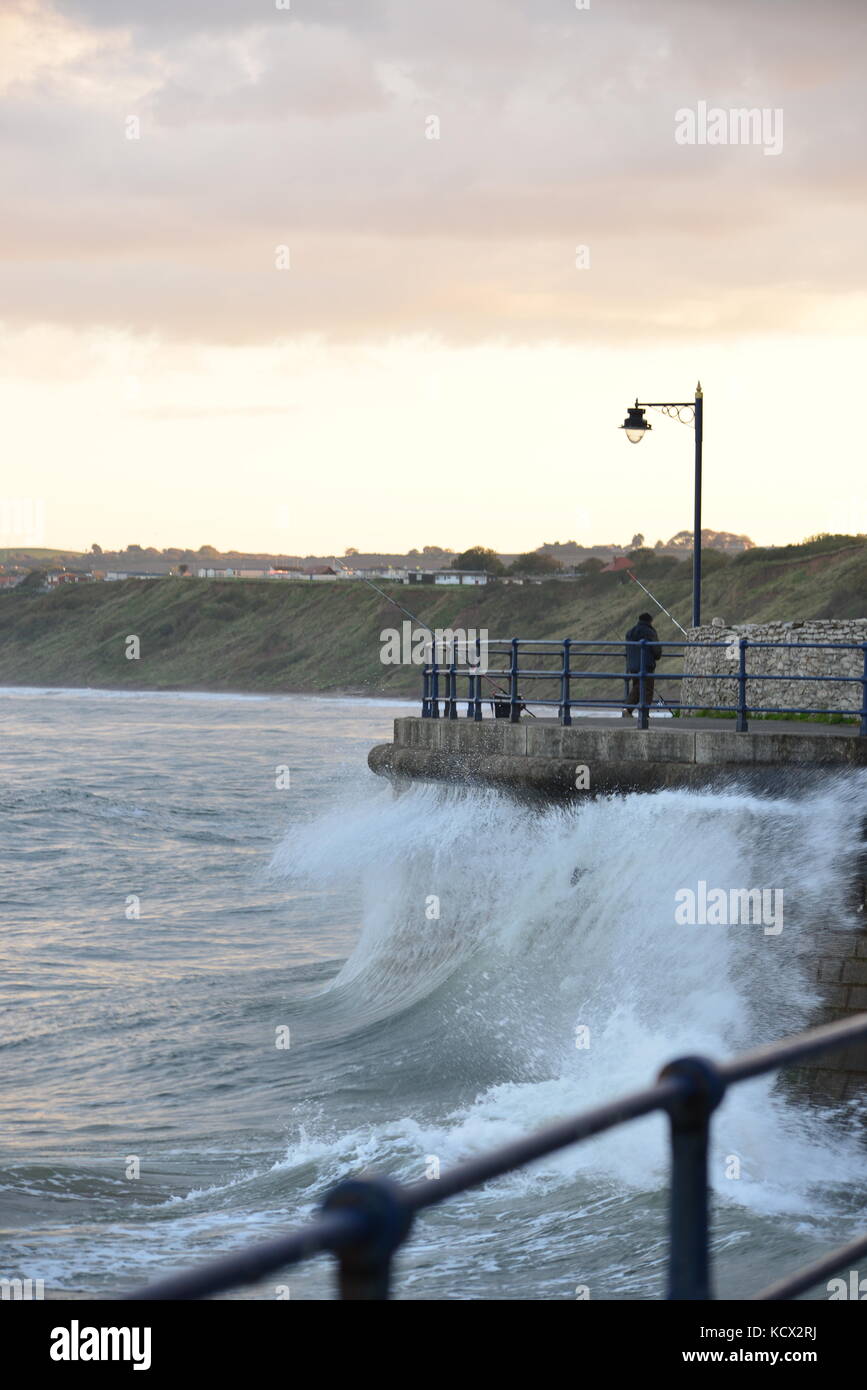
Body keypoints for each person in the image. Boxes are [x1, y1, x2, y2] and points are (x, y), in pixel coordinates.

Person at [623, 612, 662, 716]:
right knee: (647, 690)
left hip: (632, 665)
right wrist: (657, 656)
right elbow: (657, 650)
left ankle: (628, 710)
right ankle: (642, 713)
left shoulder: (630, 632)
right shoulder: (650, 632)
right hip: (646, 665)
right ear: (650, 621)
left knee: (637, 687)